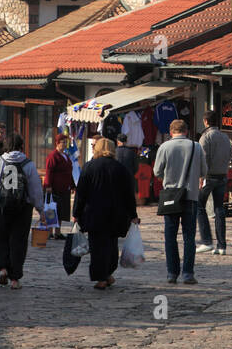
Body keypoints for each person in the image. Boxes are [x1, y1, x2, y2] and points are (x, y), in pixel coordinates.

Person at [74, 137, 139, 290]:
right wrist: (133, 214)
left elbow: (81, 193)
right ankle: (108, 272)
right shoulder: (120, 168)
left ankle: (101, 277)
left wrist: (76, 212)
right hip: (116, 214)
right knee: (111, 244)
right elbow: (128, 194)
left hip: (94, 213)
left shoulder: (89, 167)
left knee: (97, 246)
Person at [152, 119, 203, 285]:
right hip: (190, 196)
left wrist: (168, 179)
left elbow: (157, 171)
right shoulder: (196, 147)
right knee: (189, 237)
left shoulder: (165, 147)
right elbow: (204, 171)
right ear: (186, 131)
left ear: (171, 131)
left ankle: (172, 273)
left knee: (170, 236)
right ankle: (188, 273)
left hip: (171, 197)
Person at [0, 134, 44, 289]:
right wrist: (40, 209)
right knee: (18, 241)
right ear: (22, 146)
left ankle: (2, 269)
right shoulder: (28, 164)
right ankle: (15, 278)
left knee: (1, 238)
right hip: (23, 208)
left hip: (1, 206)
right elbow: (35, 189)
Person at [196, 110, 232, 255]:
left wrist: (201, 177)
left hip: (209, 176)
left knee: (199, 205)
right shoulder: (225, 137)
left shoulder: (206, 137)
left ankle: (206, 241)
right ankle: (221, 245)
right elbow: (231, 153)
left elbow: (203, 158)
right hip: (222, 175)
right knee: (219, 209)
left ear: (205, 121)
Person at [43, 132, 75, 240]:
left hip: (64, 188)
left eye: (66, 142)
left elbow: (69, 172)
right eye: (63, 142)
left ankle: (58, 232)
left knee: (61, 211)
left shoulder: (66, 156)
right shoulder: (53, 156)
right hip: (54, 188)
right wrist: (48, 186)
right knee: (52, 210)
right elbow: (49, 171)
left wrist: (72, 185)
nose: (65, 144)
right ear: (57, 143)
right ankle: (49, 232)